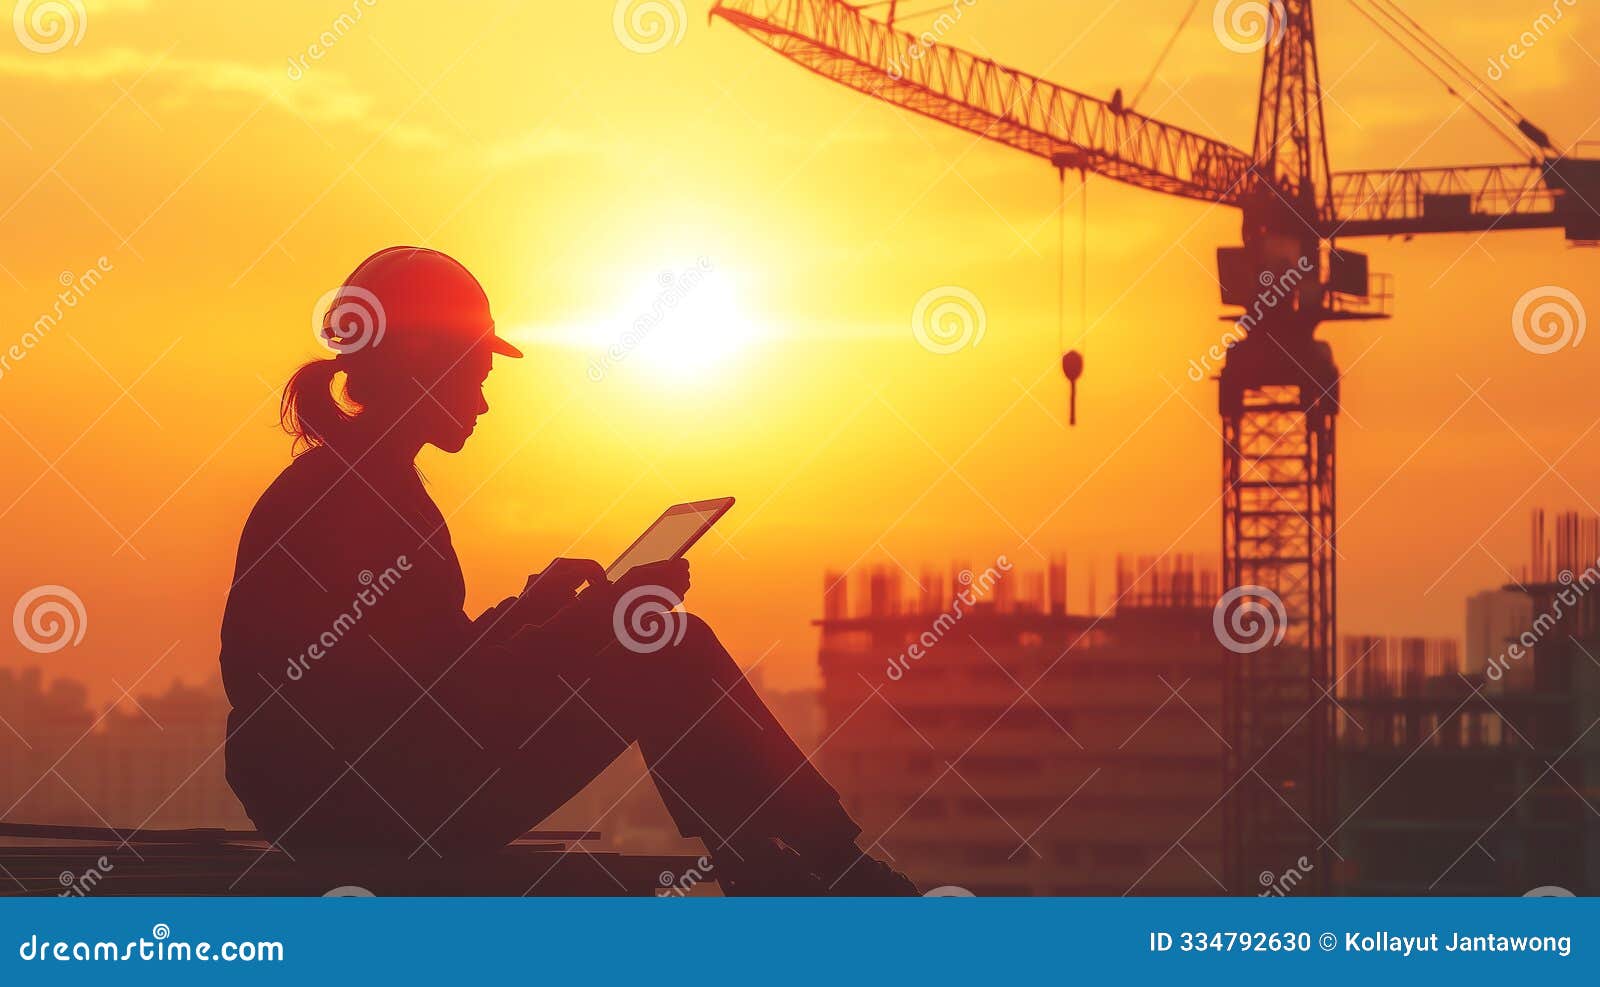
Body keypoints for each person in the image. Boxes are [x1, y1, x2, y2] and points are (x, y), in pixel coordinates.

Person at [218, 246, 915, 895]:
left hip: (347, 792)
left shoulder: (354, 482)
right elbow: (435, 698)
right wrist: (593, 617)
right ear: (421, 359)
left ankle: (777, 865)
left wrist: (531, 611)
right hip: (367, 808)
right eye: (476, 375)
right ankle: (827, 869)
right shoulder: (364, 499)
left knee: (660, 643)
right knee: (667, 647)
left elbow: (423, 676)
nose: (485, 401)